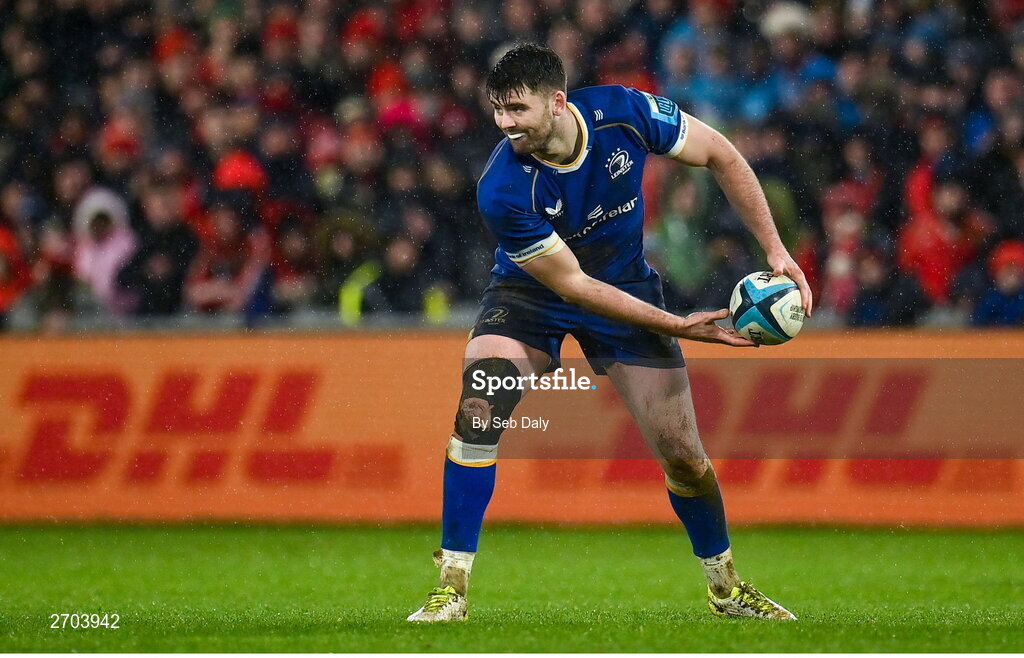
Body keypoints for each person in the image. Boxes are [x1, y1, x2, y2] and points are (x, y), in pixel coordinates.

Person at [407, 44, 812, 623]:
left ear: (557, 102)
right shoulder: (502, 187)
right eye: (498, 110)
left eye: (517, 109)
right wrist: (679, 326)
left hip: (626, 285)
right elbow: (571, 285)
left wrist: (775, 249)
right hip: (532, 293)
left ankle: (725, 588)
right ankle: (451, 588)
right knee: (480, 404)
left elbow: (721, 153)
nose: (505, 123)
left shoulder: (624, 112)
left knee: (685, 458)